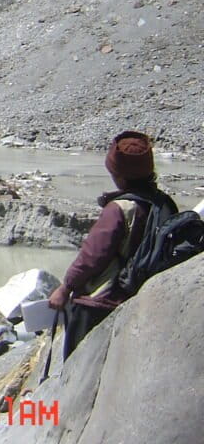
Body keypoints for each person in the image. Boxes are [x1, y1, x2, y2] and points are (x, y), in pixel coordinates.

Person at [47, 130, 178, 358]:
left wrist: (65, 287)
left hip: (103, 301)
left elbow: (92, 256)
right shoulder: (164, 204)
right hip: (143, 293)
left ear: (119, 174)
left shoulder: (120, 208)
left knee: (78, 367)